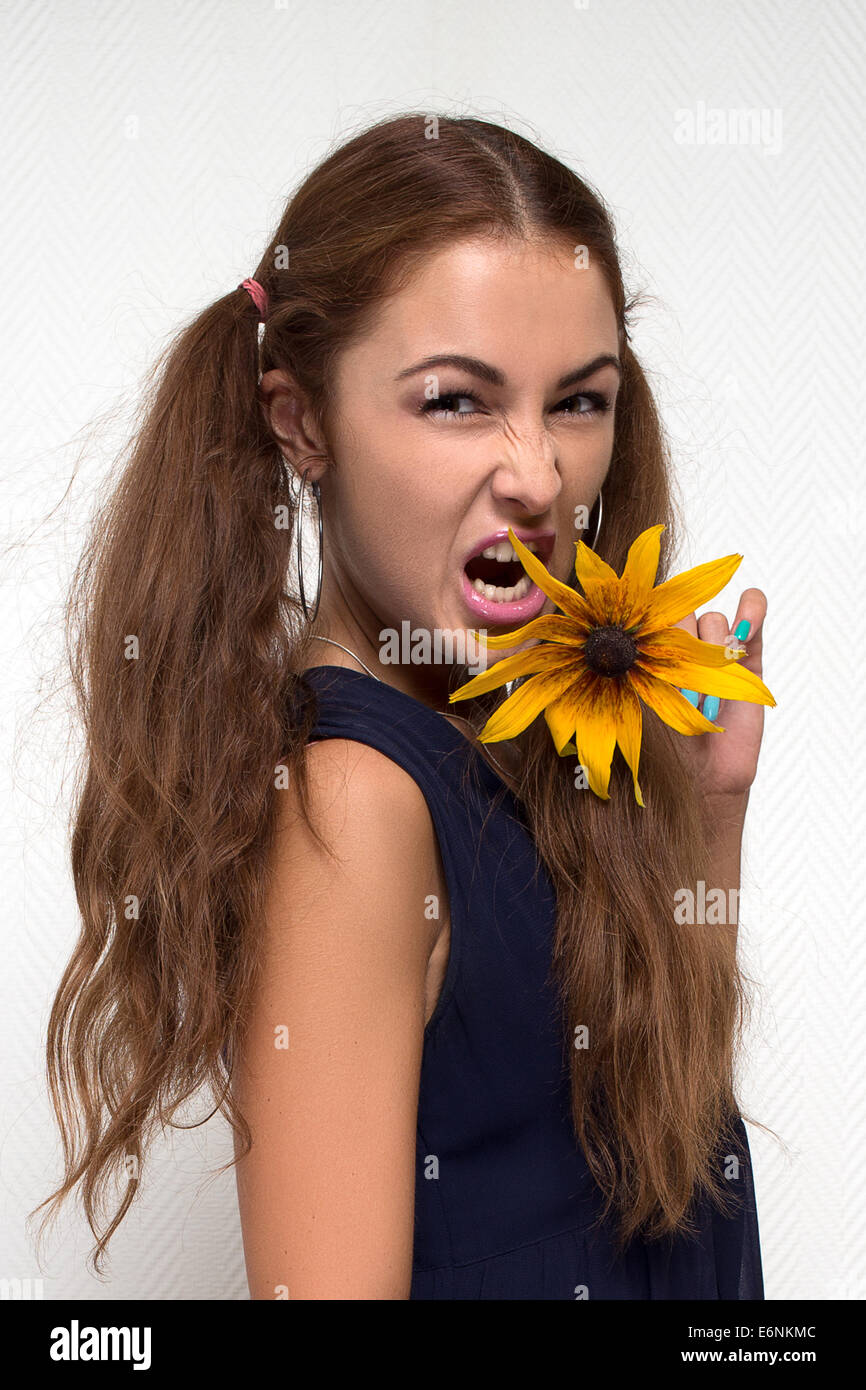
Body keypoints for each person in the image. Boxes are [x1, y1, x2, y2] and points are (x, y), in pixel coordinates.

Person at [33, 112, 769, 1299]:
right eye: (455, 402)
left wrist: (707, 814)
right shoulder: (354, 800)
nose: (537, 474)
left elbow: (666, 1165)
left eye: (578, 401)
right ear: (303, 422)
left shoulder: (508, 740)